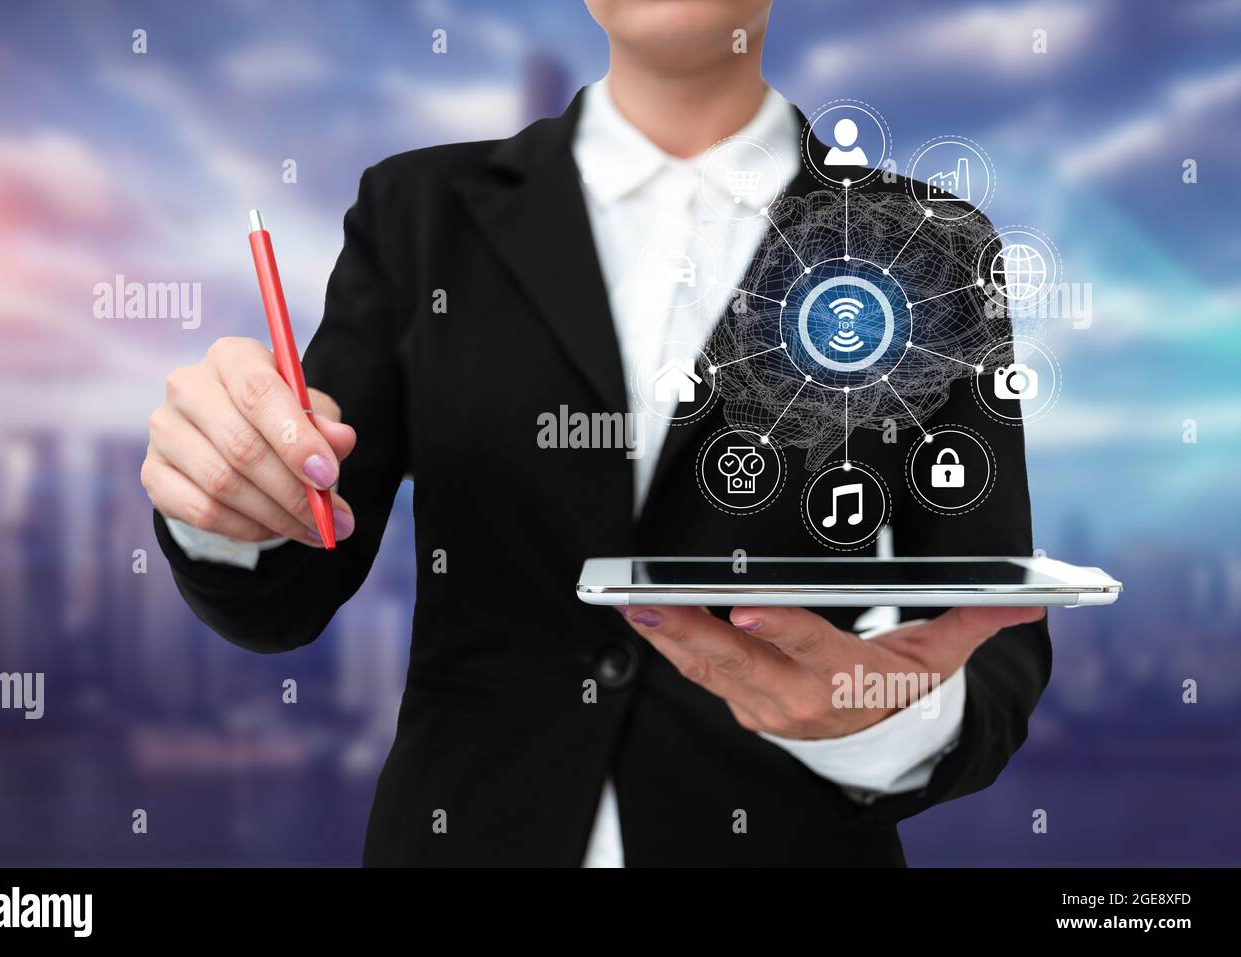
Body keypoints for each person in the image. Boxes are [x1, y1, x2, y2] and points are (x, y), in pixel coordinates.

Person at [141, 0, 1049, 866]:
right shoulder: (420, 213)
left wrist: (876, 711)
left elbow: (994, 624)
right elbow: (299, 572)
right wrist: (226, 500)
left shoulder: (930, 245)